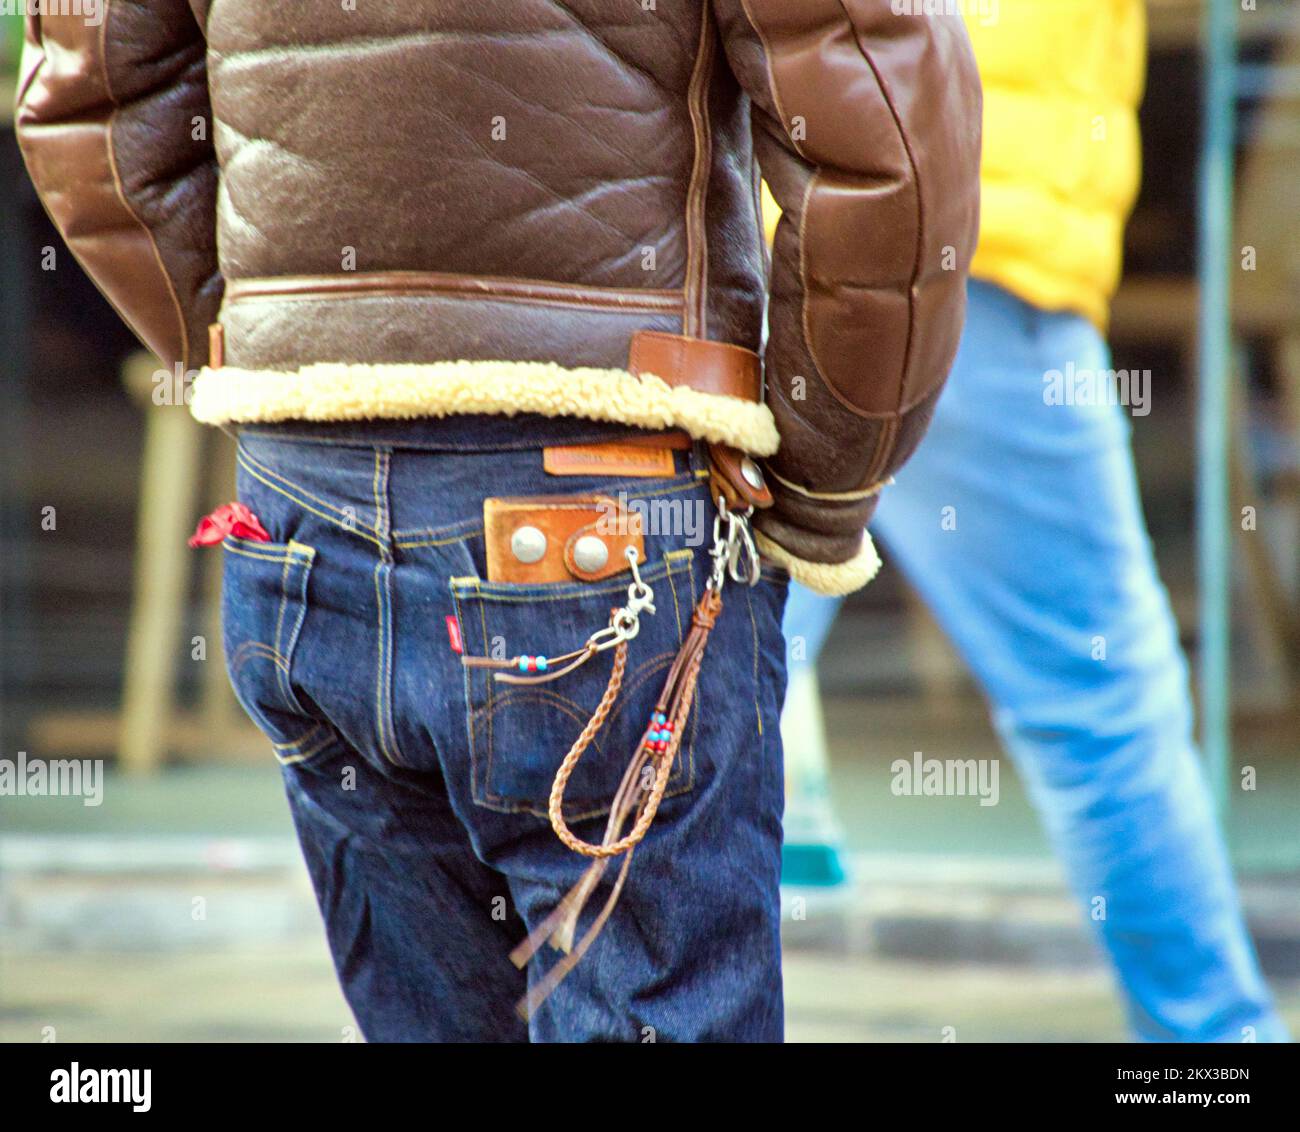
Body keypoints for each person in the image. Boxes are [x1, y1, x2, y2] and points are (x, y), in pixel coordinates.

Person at [16, 2, 981, 1040]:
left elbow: (89, 93)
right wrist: (822, 485)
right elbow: (890, 134)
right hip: (602, 506)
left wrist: (278, 348)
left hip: (304, 509)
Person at [781, 0, 1288, 1042]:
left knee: (704, 688)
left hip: (801, 228)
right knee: (1098, 700)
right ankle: (1213, 1050)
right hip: (977, 234)